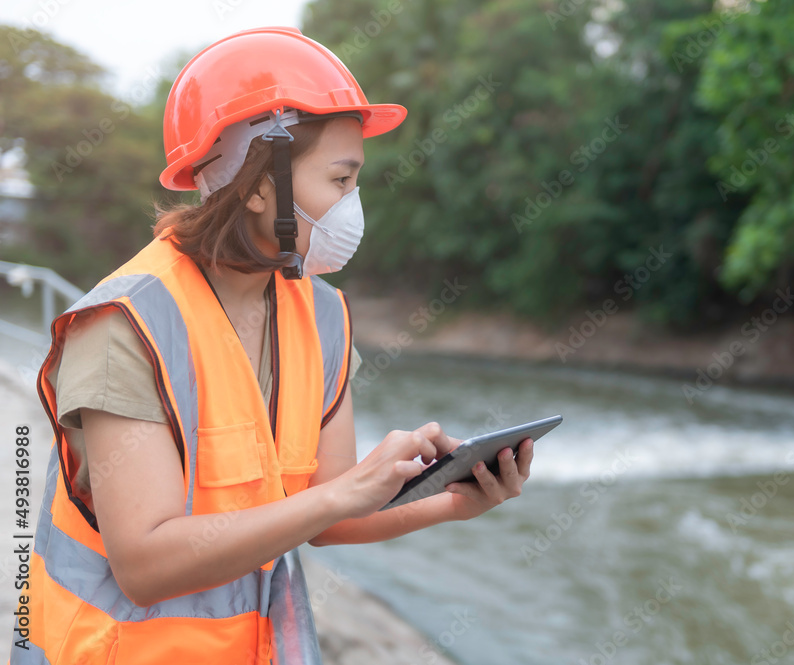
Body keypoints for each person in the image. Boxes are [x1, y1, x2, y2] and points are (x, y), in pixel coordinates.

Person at [12, 27, 533, 665]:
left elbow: (331, 513)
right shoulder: (126, 325)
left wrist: (451, 499)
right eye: (340, 179)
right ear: (260, 185)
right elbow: (145, 564)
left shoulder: (321, 315)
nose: (354, 205)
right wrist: (344, 492)